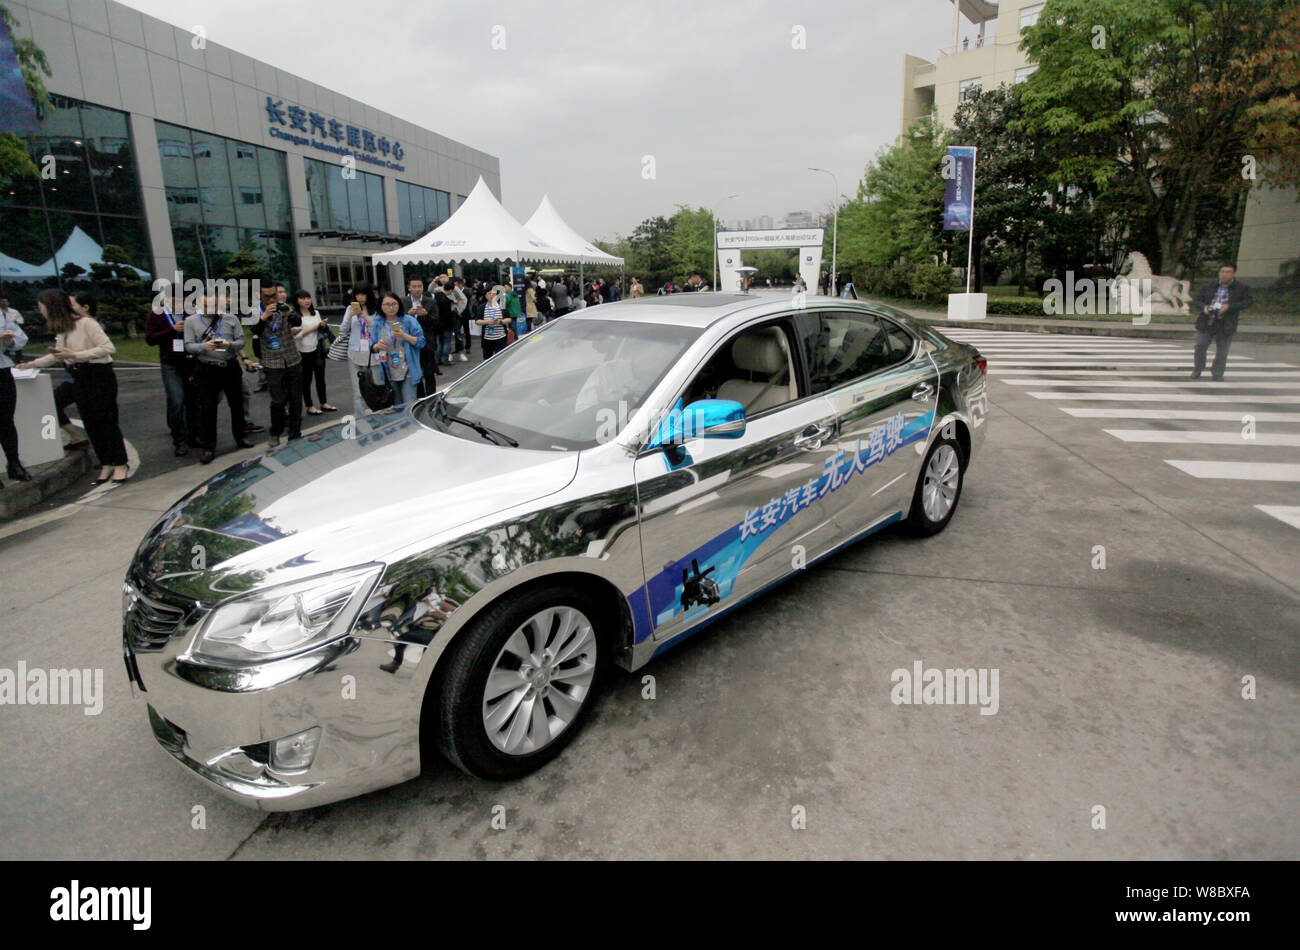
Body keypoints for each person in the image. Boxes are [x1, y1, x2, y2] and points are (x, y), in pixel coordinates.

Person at [18, 289, 129, 483]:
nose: (41, 312)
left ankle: (120, 462)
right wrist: (32, 364)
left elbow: (108, 348)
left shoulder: (86, 323)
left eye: (42, 307)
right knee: (91, 422)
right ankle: (106, 462)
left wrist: (75, 355)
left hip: (98, 375)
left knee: (106, 421)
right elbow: (58, 353)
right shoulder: (64, 328)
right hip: (78, 377)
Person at [182, 293, 251, 464]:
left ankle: (240, 437)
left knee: (237, 404)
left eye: (213, 305)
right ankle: (208, 446)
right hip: (207, 368)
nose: (210, 309)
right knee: (207, 408)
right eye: (206, 305)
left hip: (230, 366)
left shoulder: (230, 318)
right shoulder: (191, 322)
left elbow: (241, 341)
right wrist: (203, 346)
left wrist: (230, 345)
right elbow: (189, 346)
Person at [144, 295, 200, 456]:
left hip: (189, 361)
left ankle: (193, 435)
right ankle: (179, 440)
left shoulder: (191, 312)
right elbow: (150, 339)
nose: (178, 303)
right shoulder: (157, 314)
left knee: (193, 400)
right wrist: (171, 330)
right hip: (171, 363)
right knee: (176, 400)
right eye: (174, 299)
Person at [254, 283, 302, 447]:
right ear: (260, 296)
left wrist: (289, 312)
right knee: (278, 401)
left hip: (292, 359)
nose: (272, 299)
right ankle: (275, 431)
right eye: (267, 296)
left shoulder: (284, 307)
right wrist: (264, 316)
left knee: (295, 400)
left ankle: (295, 434)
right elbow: (255, 330)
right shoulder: (254, 310)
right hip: (272, 361)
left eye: (274, 295)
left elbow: (298, 321)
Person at [1192, 263, 1254, 381]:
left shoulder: (1241, 288)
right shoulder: (1210, 286)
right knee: (1200, 346)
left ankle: (1217, 372)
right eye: (1222, 271)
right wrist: (1204, 307)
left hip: (1226, 322)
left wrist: (1229, 307)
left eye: (1228, 272)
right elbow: (1198, 300)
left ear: (1234, 274)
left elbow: (1248, 302)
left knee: (1222, 350)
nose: (1224, 274)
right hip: (1207, 320)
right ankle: (1198, 369)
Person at [332, 284, 383, 417]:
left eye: (363, 294)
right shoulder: (350, 308)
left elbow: (378, 329)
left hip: (372, 352)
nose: (360, 297)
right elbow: (342, 330)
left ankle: (378, 415)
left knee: (376, 385)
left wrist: (364, 316)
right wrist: (350, 316)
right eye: (357, 294)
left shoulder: (376, 309)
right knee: (358, 390)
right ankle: (361, 419)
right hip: (354, 351)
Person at [370, 292, 425, 406]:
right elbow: (372, 346)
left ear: (399, 304)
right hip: (388, 371)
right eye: (387, 304)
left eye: (394, 304)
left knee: (409, 404)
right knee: (396, 405)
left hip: (408, 369)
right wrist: (376, 346)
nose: (391, 308)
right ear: (381, 306)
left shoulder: (408, 320)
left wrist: (404, 336)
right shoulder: (377, 322)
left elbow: (421, 342)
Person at [0, 301, 31, 484]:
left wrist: (9, 341)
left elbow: (19, 339)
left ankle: (14, 463)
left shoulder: (3, 315)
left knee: (6, 420)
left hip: (2, 369)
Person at [293, 290, 334, 415]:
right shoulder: (295, 316)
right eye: (302, 298)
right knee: (306, 379)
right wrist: (315, 327)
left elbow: (319, 330)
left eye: (308, 298)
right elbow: (296, 336)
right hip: (302, 351)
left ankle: (324, 402)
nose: (306, 301)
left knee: (320, 378)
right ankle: (309, 405)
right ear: (297, 300)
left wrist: (322, 325)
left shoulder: (315, 313)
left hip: (317, 349)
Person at [405, 277, 439, 397]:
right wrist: (407, 315)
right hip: (410, 342)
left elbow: (436, 322)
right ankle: (419, 399)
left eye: (419, 286)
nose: (417, 289)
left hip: (427, 342)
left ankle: (431, 398)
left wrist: (426, 315)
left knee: (429, 373)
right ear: (409, 288)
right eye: (414, 286)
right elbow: (397, 321)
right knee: (415, 373)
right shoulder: (404, 302)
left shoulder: (430, 301)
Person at [477, 287, 509, 359]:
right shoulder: (482, 307)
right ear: (485, 296)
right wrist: (487, 322)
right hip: (487, 339)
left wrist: (501, 322)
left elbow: (509, 319)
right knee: (487, 360)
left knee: (500, 359)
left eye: (493, 294)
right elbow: (477, 321)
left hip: (501, 338)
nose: (491, 295)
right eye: (489, 293)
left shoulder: (502, 306)